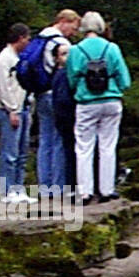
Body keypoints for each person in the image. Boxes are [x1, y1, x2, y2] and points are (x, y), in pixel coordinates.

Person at [66, 11, 131, 205]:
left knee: (84, 147)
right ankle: (107, 190)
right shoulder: (112, 48)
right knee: (108, 146)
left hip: (86, 103)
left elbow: (71, 79)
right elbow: (125, 80)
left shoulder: (75, 50)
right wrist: (117, 88)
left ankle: (85, 192)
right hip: (111, 100)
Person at [33, 9, 81, 192]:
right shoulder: (61, 43)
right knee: (59, 140)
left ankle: (44, 185)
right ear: (63, 21)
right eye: (73, 28)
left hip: (41, 93)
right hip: (57, 94)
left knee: (45, 140)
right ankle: (58, 185)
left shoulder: (40, 38)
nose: (73, 33)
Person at [0, 22, 31, 203]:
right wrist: (12, 110)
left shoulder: (19, 57)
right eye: (27, 39)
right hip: (10, 110)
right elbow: (3, 87)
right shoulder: (4, 59)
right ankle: (6, 190)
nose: (28, 42)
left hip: (24, 107)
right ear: (20, 38)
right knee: (10, 153)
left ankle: (18, 188)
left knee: (22, 152)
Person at [51, 43, 77, 198]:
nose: (68, 57)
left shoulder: (67, 73)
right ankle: (71, 187)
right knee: (70, 152)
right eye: (63, 54)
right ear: (56, 59)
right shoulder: (62, 75)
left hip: (67, 117)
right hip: (67, 118)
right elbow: (62, 100)